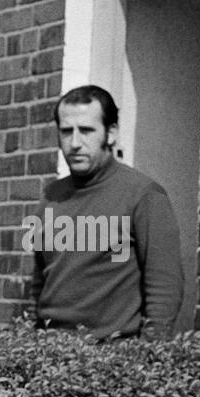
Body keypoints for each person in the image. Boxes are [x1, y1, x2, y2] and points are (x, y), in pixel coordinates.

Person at [27, 85, 183, 339]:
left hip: (111, 358)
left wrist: (150, 354)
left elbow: (165, 285)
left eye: (86, 131)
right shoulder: (50, 197)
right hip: (50, 353)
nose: (75, 143)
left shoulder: (144, 195)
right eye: (66, 132)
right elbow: (39, 283)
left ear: (110, 134)